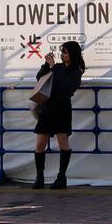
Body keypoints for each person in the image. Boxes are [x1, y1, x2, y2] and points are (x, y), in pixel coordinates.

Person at [33, 41, 86, 189]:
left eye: (65, 52)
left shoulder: (76, 71)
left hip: (62, 108)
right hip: (47, 107)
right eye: (61, 52)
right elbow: (40, 78)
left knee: (63, 141)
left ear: (72, 55)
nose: (62, 55)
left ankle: (61, 177)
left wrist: (53, 67)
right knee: (40, 142)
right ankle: (39, 176)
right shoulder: (58, 67)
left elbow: (65, 86)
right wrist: (46, 65)